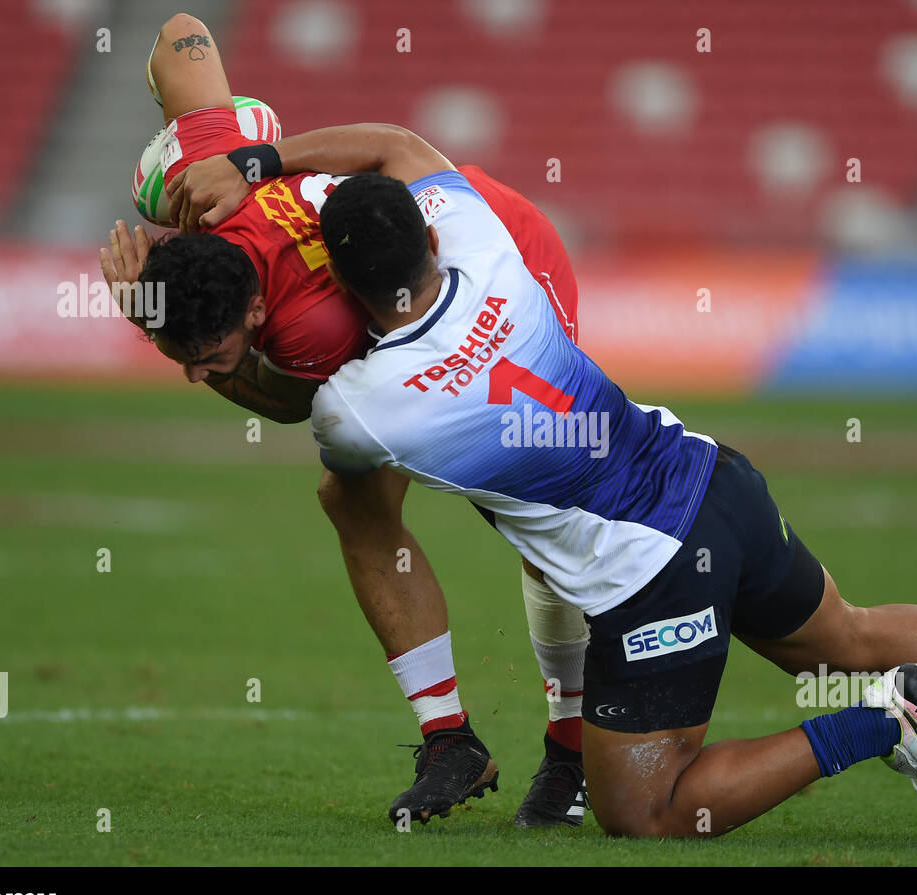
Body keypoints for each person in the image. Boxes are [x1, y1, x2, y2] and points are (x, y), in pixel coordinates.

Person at [262, 121, 917, 837]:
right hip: (713, 477)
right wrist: (262, 158)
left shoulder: (362, 407)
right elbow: (398, 144)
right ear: (427, 231)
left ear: (340, 282)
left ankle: (881, 723)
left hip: (650, 572)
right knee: (850, 631)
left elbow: (287, 401)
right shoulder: (480, 240)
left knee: (643, 810)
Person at [98, 13, 589, 828]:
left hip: (504, 268)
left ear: (256, 312)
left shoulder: (306, 333)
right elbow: (183, 33)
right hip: (391, 296)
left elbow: (292, 404)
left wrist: (154, 334)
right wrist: (206, 146)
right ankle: (451, 742)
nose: (195, 373)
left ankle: (569, 756)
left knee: (541, 516)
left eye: (209, 357)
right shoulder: (209, 190)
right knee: (352, 499)